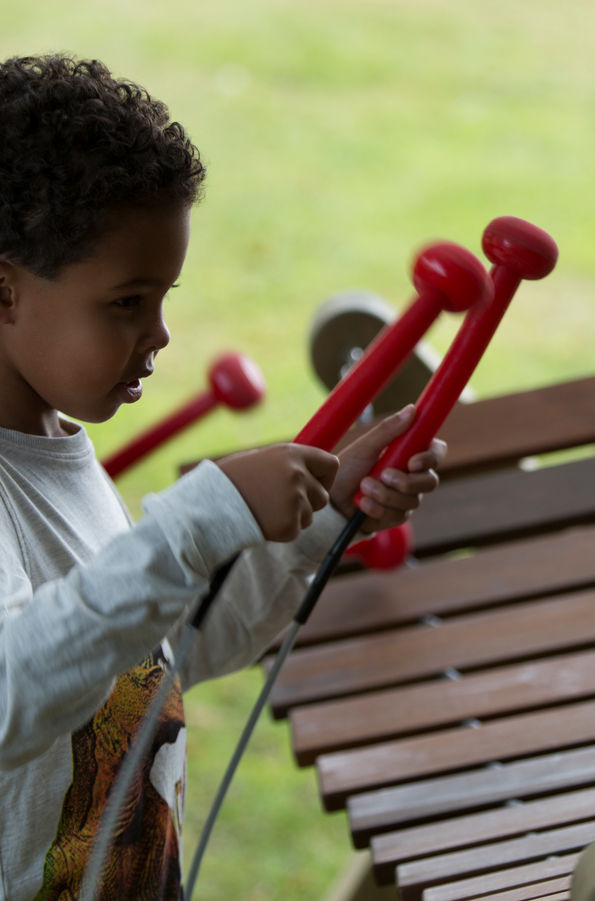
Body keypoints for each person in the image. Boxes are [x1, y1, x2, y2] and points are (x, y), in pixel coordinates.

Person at [0, 54, 446, 901]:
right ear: (6, 290)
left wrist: (320, 517)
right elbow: (12, 697)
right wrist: (198, 521)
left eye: (164, 297)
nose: (160, 333)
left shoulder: (55, 447)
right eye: (126, 301)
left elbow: (151, 661)